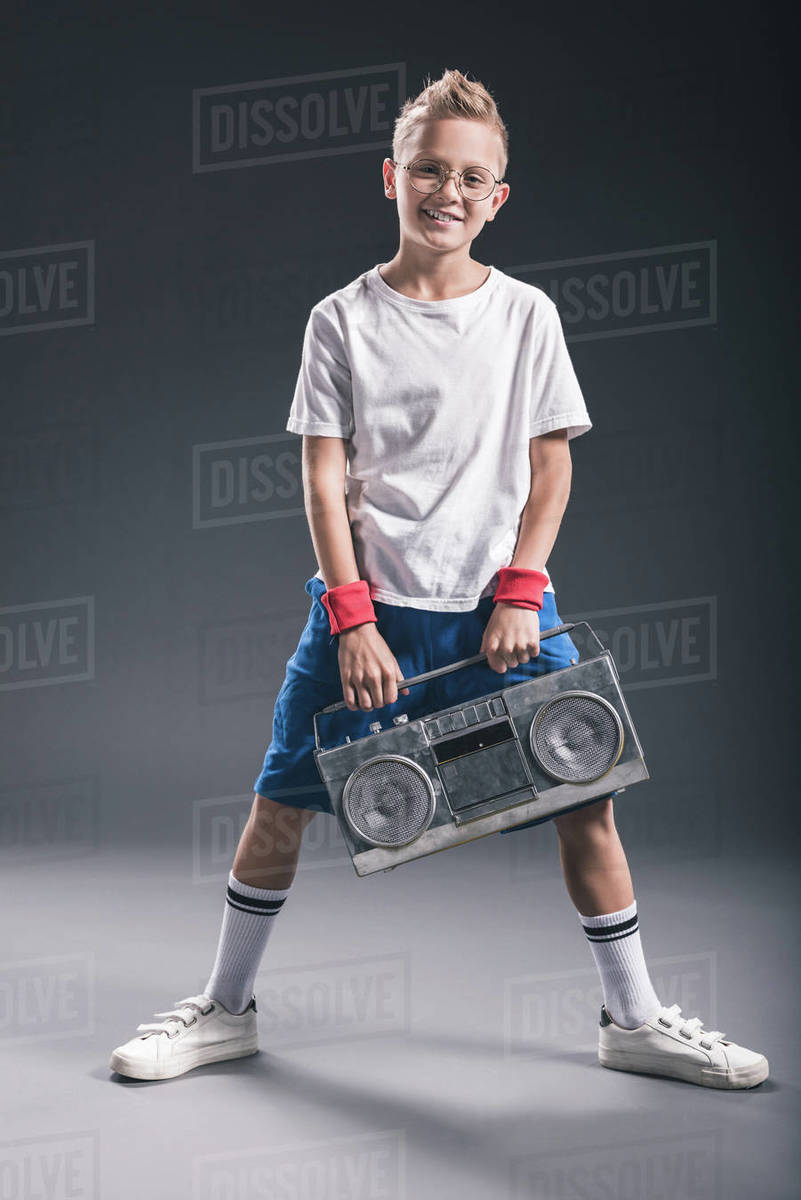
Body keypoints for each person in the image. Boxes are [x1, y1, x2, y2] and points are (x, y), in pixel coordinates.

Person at [109, 68, 768, 1089]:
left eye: (472, 177)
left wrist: (519, 588)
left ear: (497, 196)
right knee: (280, 803)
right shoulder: (340, 320)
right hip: (370, 617)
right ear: (391, 177)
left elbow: (552, 463)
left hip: (506, 609)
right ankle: (225, 1010)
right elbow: (324, 479)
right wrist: (352, 618)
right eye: (428, 170)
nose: (447, 192)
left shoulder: (529, 316)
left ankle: (633, 1020)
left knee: (587, 795)